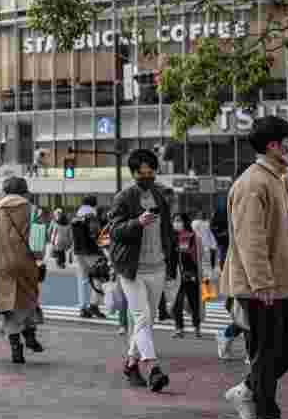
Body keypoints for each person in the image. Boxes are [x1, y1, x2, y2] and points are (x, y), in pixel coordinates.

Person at [223, 116, 288, 419]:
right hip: (261, 286)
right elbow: (251, 240)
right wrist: (261, 284)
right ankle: (266, 415)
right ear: (274, 145)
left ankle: (247, 389)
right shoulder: (253, 184)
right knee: (270, 347)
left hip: (280, 282)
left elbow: (271, 230)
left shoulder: (273, 179)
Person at [107, 149, 178, 393]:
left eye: (151, 172)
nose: (147, 176)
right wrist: (137, 222)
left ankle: (130, 363)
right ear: (134, 173)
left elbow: (168, 232)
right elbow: (114, 231)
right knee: (142, 317)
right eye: (142, 173)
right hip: (132, 268)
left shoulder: (160, 196)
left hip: (157, 266)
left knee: (147, 320)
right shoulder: (124, 198)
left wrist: (171, 263)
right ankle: (153, 367)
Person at [0, 176, 43, 365]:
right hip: (26, 263)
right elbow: (38, 241)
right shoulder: (33, 210)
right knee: (28, 298)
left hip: (4, 264)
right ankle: (30, 333)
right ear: (24, 191)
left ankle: (16, 348)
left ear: (6, 191)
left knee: (8, 304)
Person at [171, 212, 203, 339]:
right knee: (176, 303)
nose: (176, 223)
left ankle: (197, 328)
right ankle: (179, 329)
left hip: (190, 275)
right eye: (174, 220)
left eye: (179, 220)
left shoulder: (192, 237)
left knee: (194, 302)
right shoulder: (172, 238)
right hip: (177, 275)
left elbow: (198, 256)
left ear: (185, 222)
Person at [73, 196, 105, 318]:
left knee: (82, 280)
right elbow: (96, 234)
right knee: (99, 276)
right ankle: (94, 305)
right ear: (93, 205)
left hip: (78, 252)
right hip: (92, 252)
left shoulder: (76, 216)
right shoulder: (91, 215)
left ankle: (82, 307)